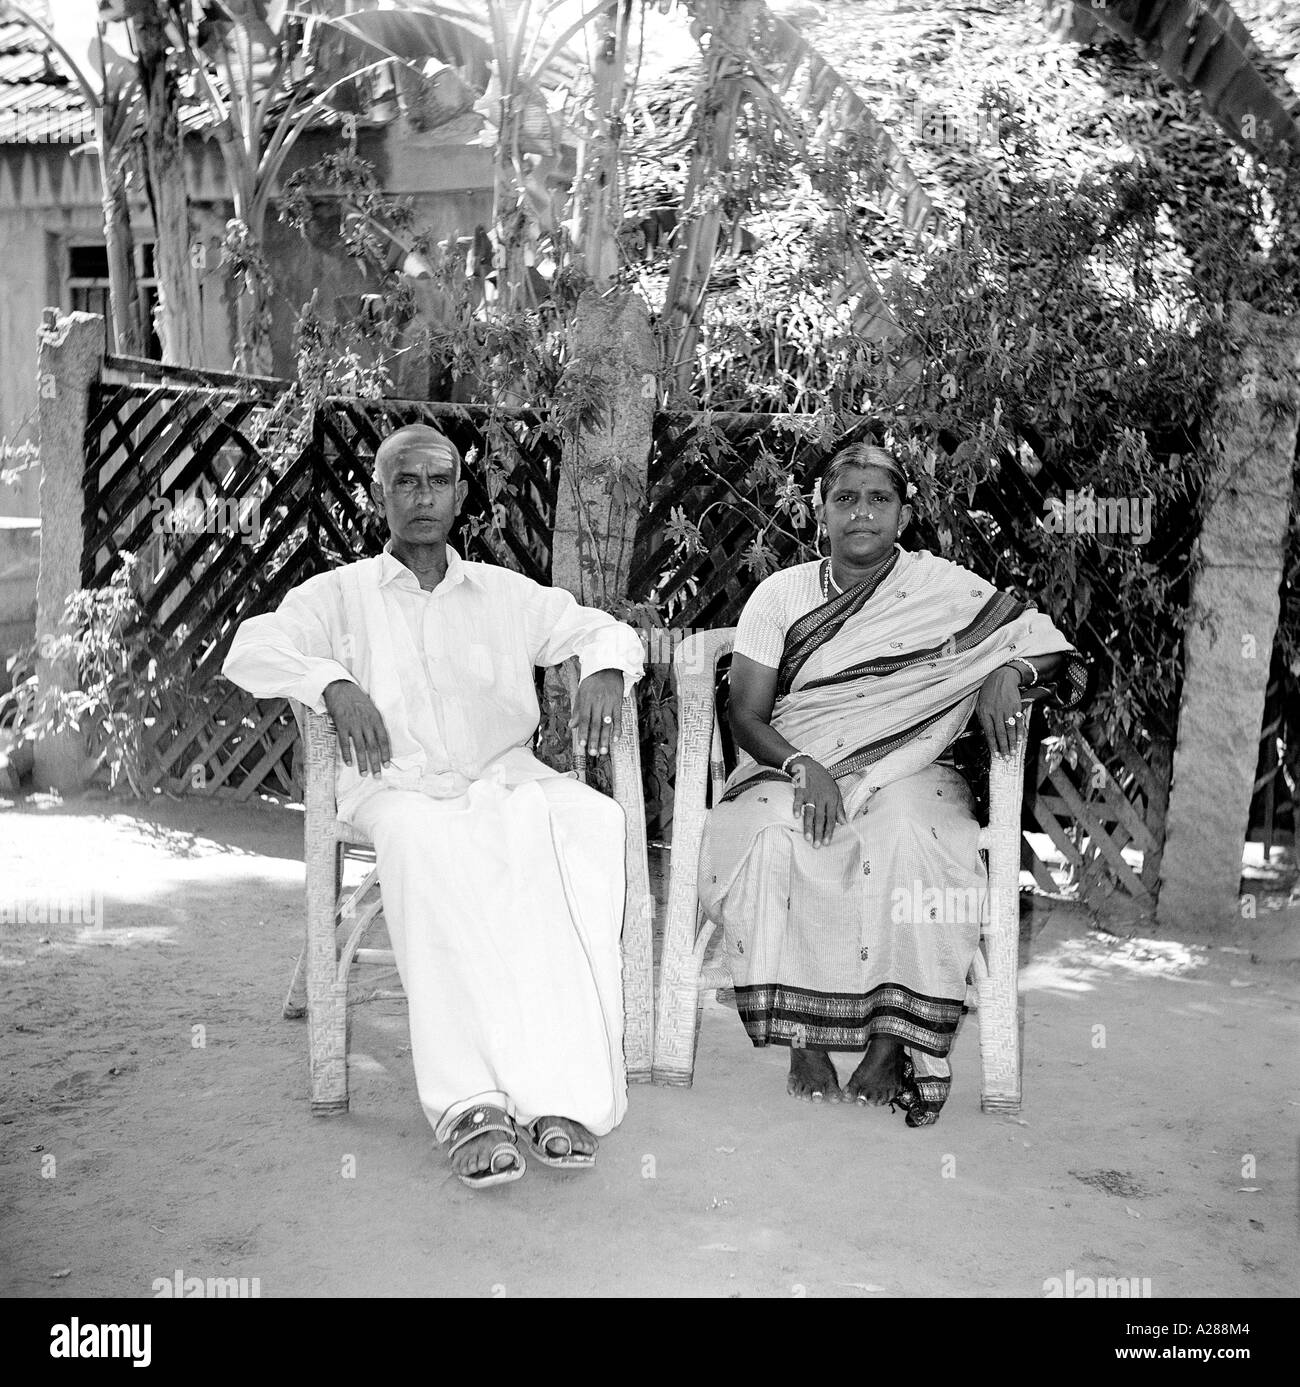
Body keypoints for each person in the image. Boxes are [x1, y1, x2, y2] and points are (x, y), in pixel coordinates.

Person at [223, 424, 644, 1185]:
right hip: (396, 787)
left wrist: (606, 668)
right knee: (421, 841)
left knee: (593, 820)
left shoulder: (503, 593)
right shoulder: (337, 594)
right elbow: (251, 648)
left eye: (438, 481)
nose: (422, 496)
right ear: (379, 493)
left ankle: (559, 1092)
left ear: (460, 493)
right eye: (405, 481)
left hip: (501, 777)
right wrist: (332, 682)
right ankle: (471, 1102)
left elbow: (601, 628)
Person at [699, 441, 1087, 1126]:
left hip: (910, 764)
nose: (862, 513)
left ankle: (889, 1041)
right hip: (791, 758)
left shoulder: (939, 588)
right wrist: (801, 765)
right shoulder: (780, 595)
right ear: (820, 512)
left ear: (903, 516)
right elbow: (746, 714)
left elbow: (1044, 640)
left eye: (879, 499)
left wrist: (1011, 672)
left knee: (913, 837)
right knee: (769, 838)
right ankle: (805, 1036)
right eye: (845, 498)